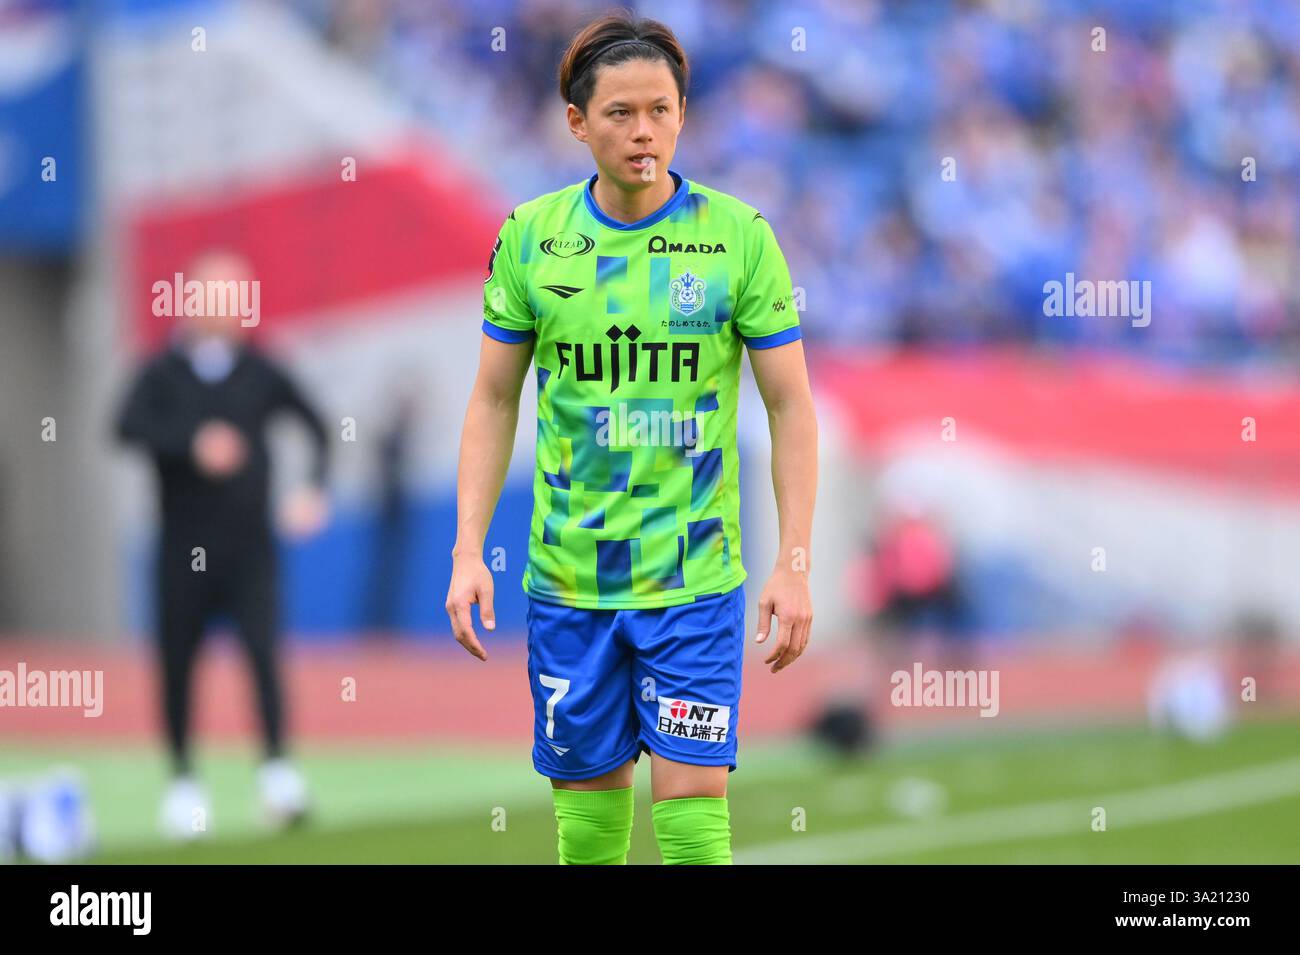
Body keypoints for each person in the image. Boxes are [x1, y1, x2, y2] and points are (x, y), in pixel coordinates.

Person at [445, 12, 818, 865]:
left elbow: (791, 406)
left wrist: (793, 559)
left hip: (693, 580)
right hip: (571, 580)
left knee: (692, 836)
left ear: (684, 113)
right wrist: (469, 548)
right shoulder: (531, 238)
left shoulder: (739, 239)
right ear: (577, 122)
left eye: (662, 108)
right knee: (590, 842)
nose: (644, 130)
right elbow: (494, 399)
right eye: (620, 113)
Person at [115, 250, 331, 839]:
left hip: (249, 546)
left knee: (262, 654)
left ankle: (278, 774)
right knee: (179, 661)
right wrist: (192, 442)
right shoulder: (162, 370)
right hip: (181, 546)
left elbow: (316, 422)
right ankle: (184, 782)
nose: (232, 309)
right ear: (193, 301)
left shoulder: (260, 368)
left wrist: (312, 488)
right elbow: (125, 426)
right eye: (220, 295)